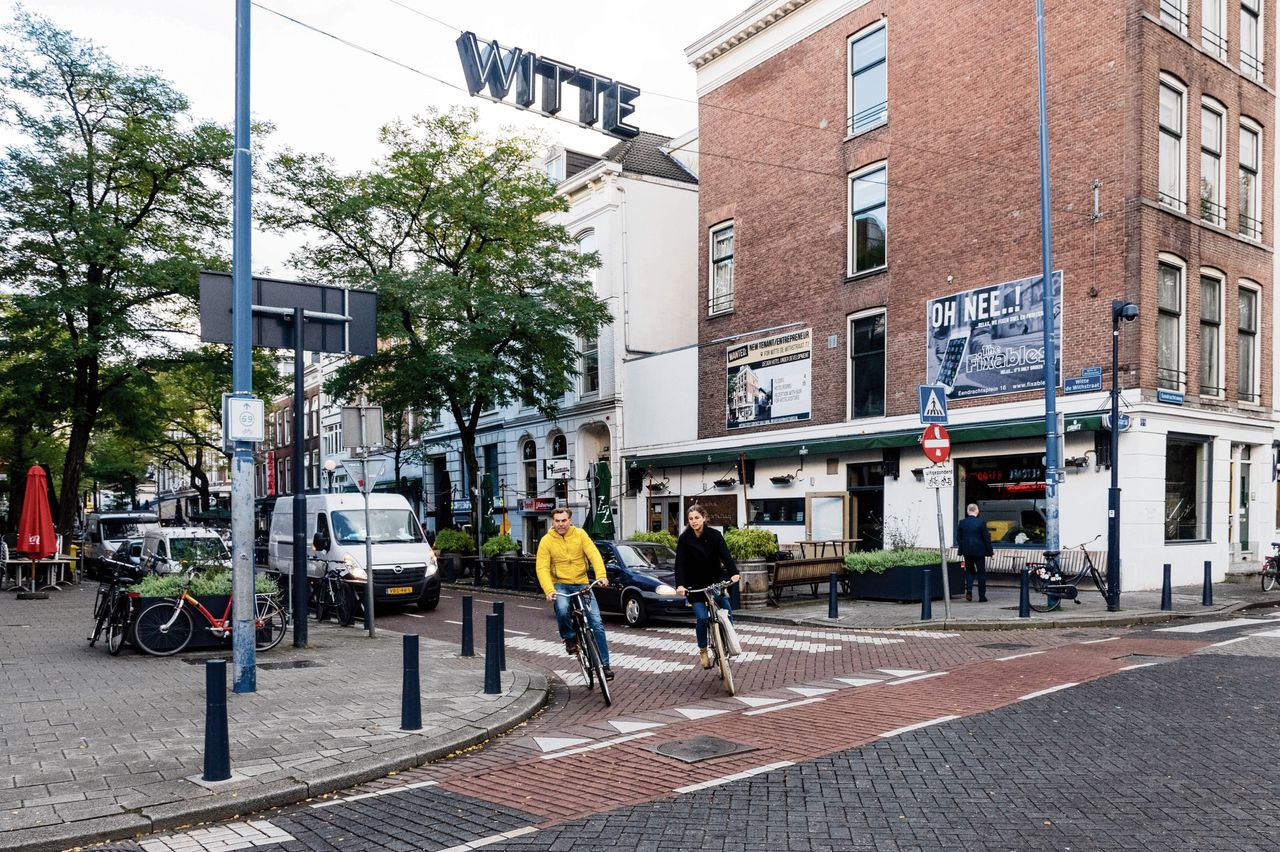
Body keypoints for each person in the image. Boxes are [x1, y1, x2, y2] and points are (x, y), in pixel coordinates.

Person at [535, 506, 613, 680]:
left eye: (564, 521)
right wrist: (549, 590)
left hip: (582, 583)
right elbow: (542, 568)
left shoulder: (580, 535)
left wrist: (601, 576)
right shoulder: (546, 541)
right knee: (562, 609)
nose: (561, 524)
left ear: (570, 520)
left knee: (597, 622)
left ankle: (605, 665)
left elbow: (593, 554)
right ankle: (570, 639)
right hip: (560, 585)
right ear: (553, 522)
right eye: (557, 521)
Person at [673, 505, 740, 670]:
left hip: (714, 581)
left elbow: (725, 554)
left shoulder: (715, 535)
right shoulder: (685, 539)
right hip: (694, 585)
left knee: (726, 609)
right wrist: (680, 584)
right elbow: (680, 563)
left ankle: (729, 640)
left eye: (697, 518)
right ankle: (703, 649)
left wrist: (733, 573)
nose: (694, 521)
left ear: (704, 518)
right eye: (691, 519)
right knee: (702, 618)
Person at [956, 503, 994, 602]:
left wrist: (962, 547)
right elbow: (986, 539)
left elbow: (958, 538)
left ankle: (969, 589)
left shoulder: (962, 522)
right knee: (981, 573)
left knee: (969, 571)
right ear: (977, 511)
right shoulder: (981, 523)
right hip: (979, 551)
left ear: (968, 511)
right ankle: (982, 596)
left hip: (967, 551)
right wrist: (991, 552)